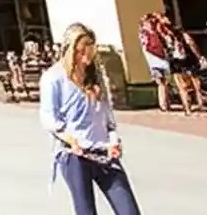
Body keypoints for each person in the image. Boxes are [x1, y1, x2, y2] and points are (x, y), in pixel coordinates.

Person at [39, 23, 140, 215]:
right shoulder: (54, 78)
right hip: (74, 155)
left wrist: (113, 141)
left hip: (103, 154)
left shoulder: (95, 76)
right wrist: (72, 140)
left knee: (129, 210)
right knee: (86, 211)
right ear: (69, 50)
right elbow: (49, 119)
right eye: (80, 52)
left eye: (89, 51)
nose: (85, 58)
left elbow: (108, 118)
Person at [137, 14, 172, 112]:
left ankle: (166, 102)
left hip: (162, 60)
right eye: (149, 23)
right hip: (154, 61)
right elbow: (147, 47)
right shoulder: (145, 34)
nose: (151, 24)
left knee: (165, 82)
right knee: (161, 82)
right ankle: (164, 105)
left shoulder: (157, 33)